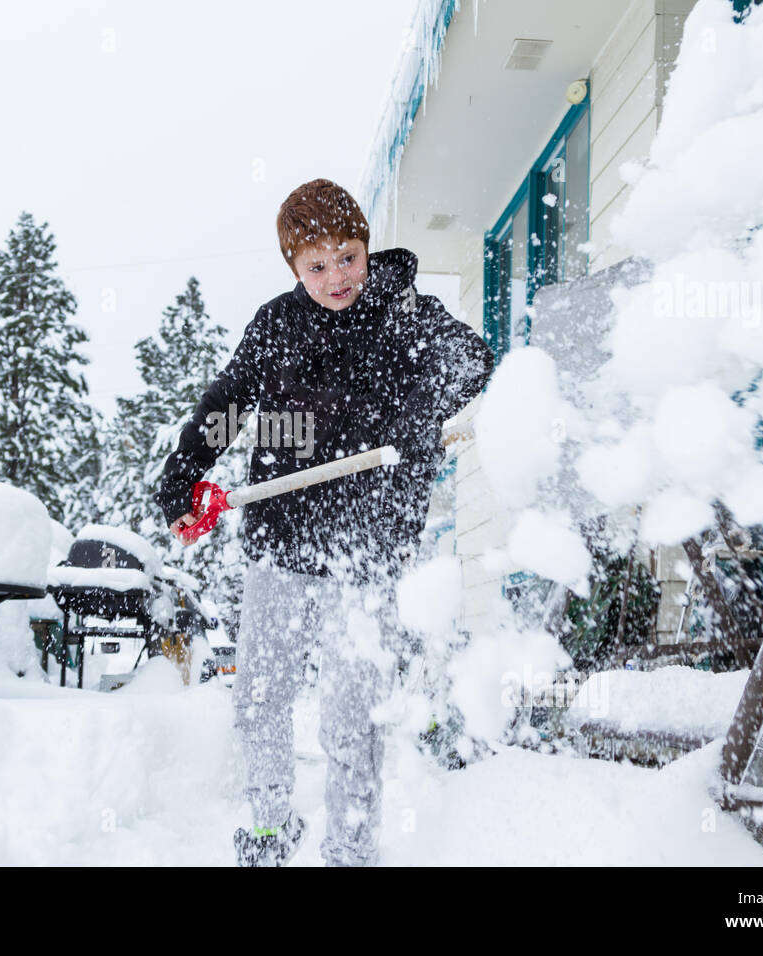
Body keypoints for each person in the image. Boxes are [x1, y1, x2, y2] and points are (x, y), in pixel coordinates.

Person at [154, 178, 493, 866]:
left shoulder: (403, 313)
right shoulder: (278, 324)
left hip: (366, 548)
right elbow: (228, 401)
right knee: (259, 699)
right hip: (280, 543)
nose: (336, 277)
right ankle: (272, 824)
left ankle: (350, 846)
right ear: (293, 267)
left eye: (347, 256)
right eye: (316, 265)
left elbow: (472, 360)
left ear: (366, 248)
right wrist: (189, 469)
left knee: (350, 713)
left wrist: (415, 407)